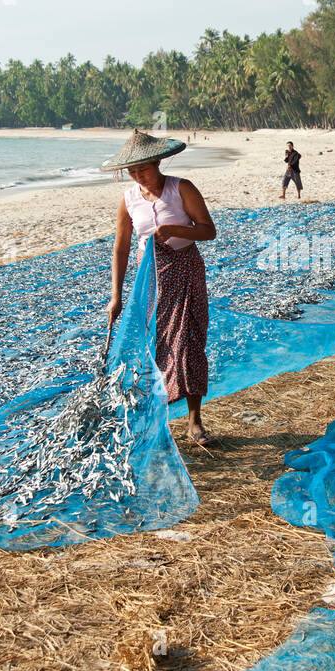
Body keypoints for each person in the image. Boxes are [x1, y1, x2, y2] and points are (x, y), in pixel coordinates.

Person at [104, 130, 218, 447]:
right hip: (150, 279)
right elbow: (121, 249)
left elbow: (208, 230)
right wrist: (116, 296)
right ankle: (158, 415)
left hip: (185, 272)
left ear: (157, 162)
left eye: (143, 168)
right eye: (132, 171)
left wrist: (174, 229)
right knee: (157, 347)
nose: (138, 175)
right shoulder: (128, 200)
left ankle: (195, 422)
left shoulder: (181, 188)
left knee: (189, 341)